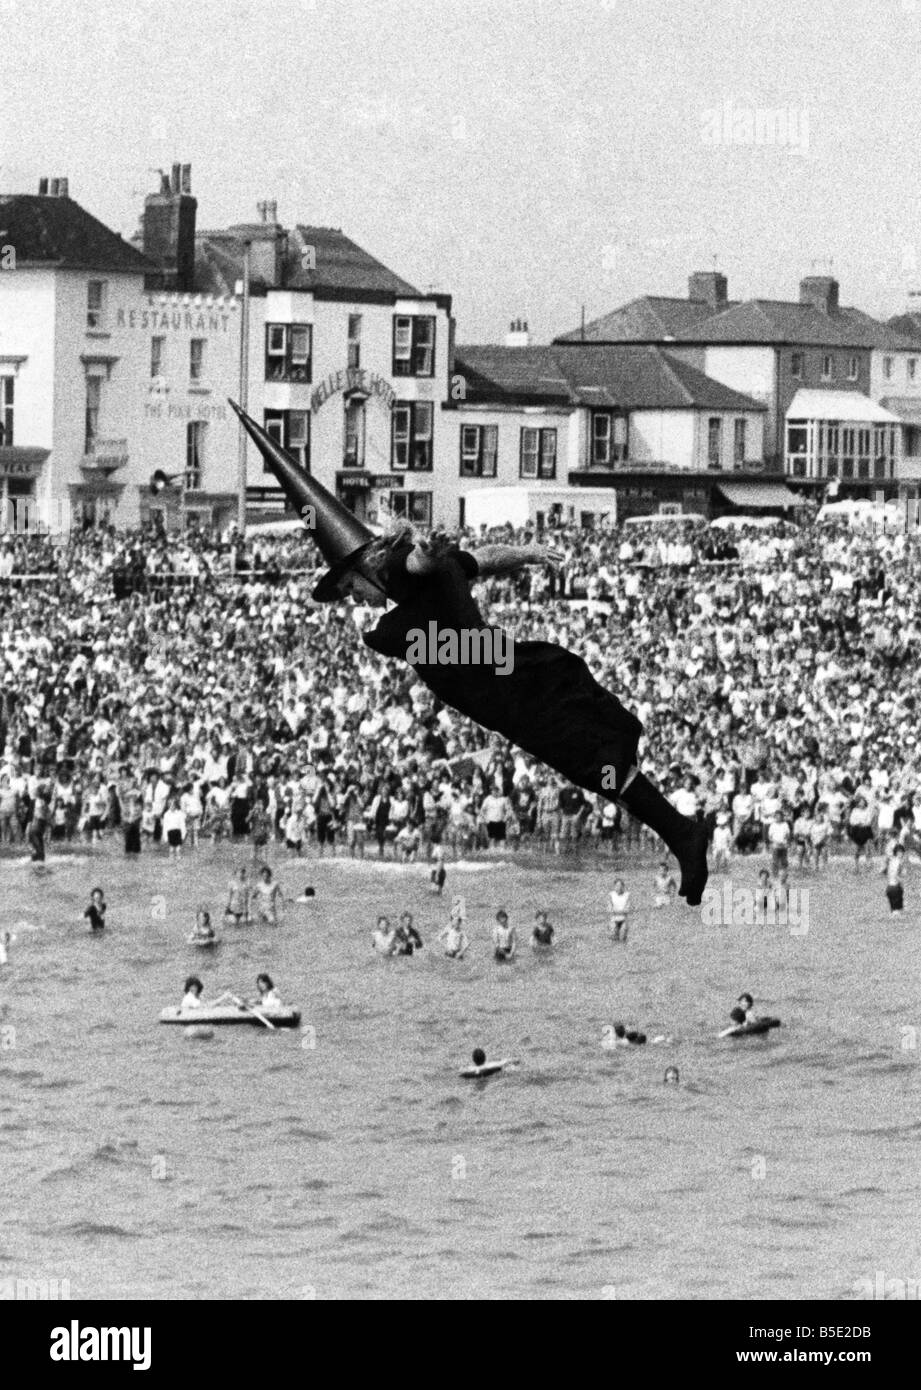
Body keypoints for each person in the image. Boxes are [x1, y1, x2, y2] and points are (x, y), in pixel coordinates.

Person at [312, 521, 709, 905]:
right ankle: (680, 834)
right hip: (508, 679)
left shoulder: (401, 568)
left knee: (595, 760)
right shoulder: (411, 587)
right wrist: (527, 553)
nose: (353, 596)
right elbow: (483, 558)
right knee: (595, 762)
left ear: (369, 565)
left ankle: (683, 835)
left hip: (508, 688)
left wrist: (429, 551)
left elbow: (419, 561)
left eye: (351, 586)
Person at [884, 843, 905, 915]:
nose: (902, 854)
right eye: (901, 852)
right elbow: (896, 874)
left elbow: (886, 872)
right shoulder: (899, 862)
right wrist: (901, 882)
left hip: (889, 887)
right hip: (896, 888)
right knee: (898, 913)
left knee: (894, 912)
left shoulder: (891, 861)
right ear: (898, 852)